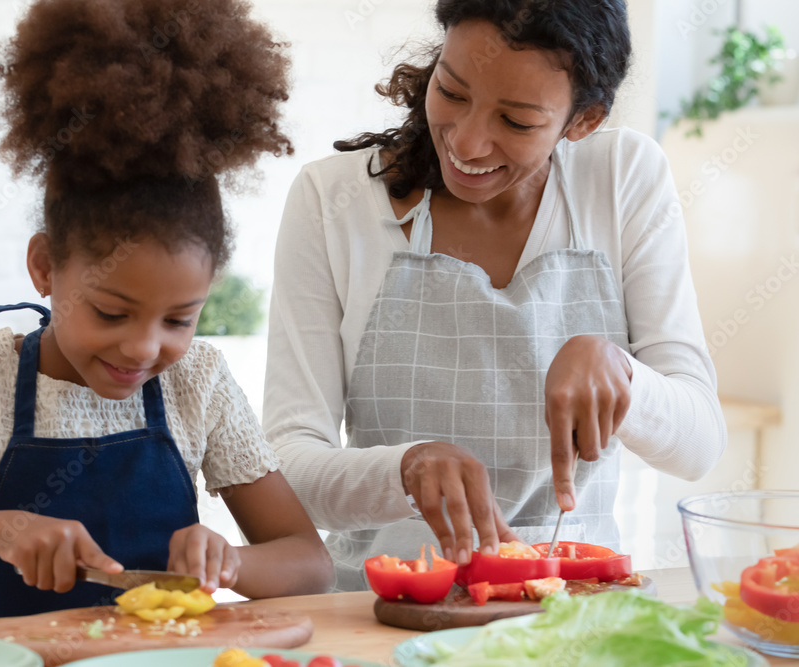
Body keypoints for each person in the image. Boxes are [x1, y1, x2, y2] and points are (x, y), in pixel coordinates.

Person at [0, 0, 332, 619]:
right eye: (112, 313)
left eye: (179, 319)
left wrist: (231, 562)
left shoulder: (197, 381)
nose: (144, 347)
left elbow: (310, 563)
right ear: (45, 267)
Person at [263, 0, 727, 591]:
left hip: (573, 602)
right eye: (451, 92)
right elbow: (285, 467)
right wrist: (403, 470)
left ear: (583, 121)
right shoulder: (331, 199)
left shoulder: (621, 176)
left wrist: (624, 375)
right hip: (384, 604)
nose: (467, 142)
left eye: (516, 121)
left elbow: (699, 446)